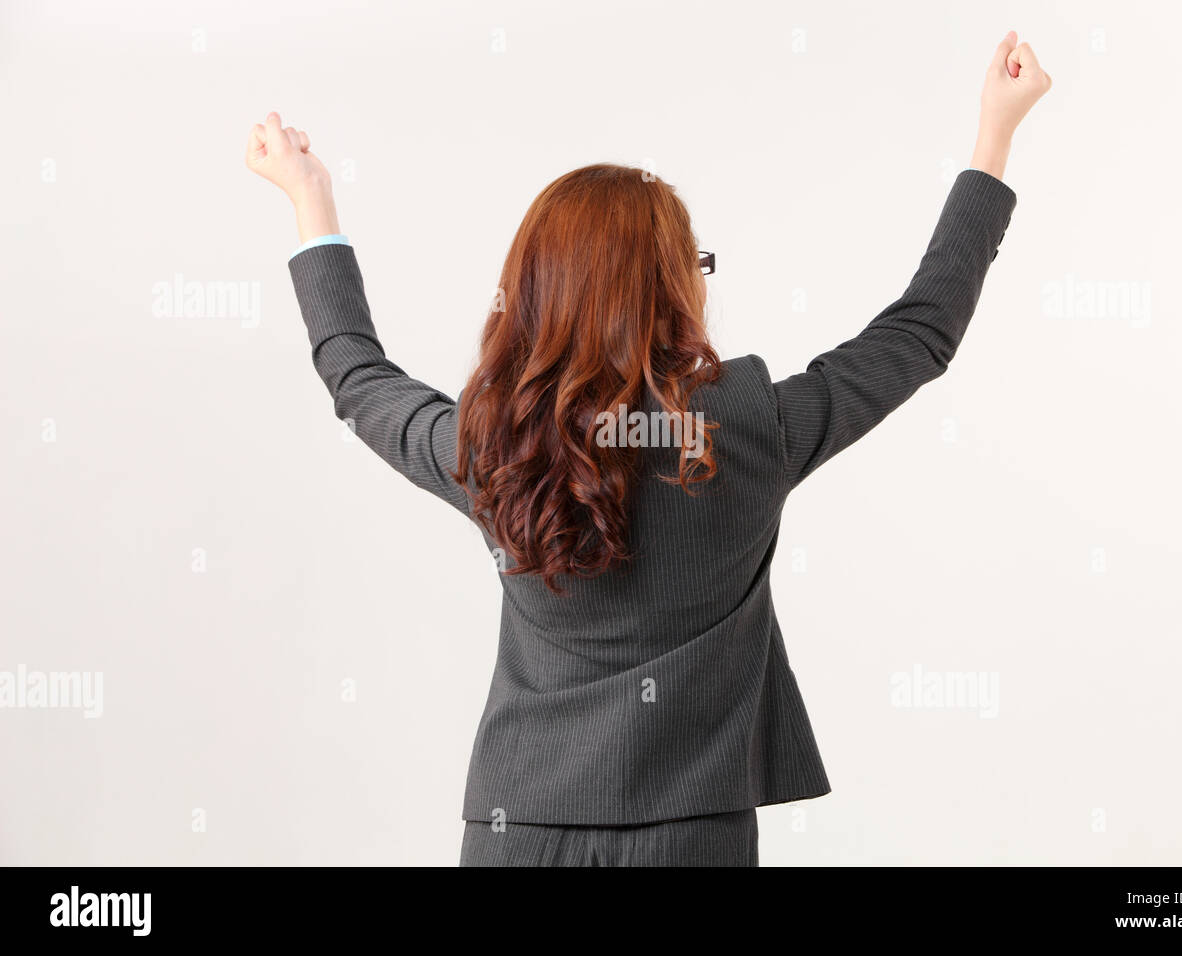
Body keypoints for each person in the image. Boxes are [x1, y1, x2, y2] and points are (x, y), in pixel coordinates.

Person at [245, 31, 1051, 866]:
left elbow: (357, 377)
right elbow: (920, 333)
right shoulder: (747, 428)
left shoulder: (494, 447)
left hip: (516, 831)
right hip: (694, 836)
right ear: (673, 283)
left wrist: (312, 204)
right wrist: (995, 139)